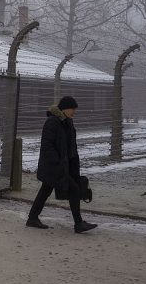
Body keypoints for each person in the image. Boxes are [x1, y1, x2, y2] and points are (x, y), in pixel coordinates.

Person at [26, 96, 97, 233]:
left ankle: (32, 218)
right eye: (72, 109)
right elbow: (47, 145)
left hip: (61, 165)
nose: (74, 112)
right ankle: (78, 224)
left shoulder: (67, 122)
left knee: (45, 191)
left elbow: (70, 145)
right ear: (65, 108)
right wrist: (58, 162)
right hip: (54, 166)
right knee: (74, 189)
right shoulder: (52, 122)